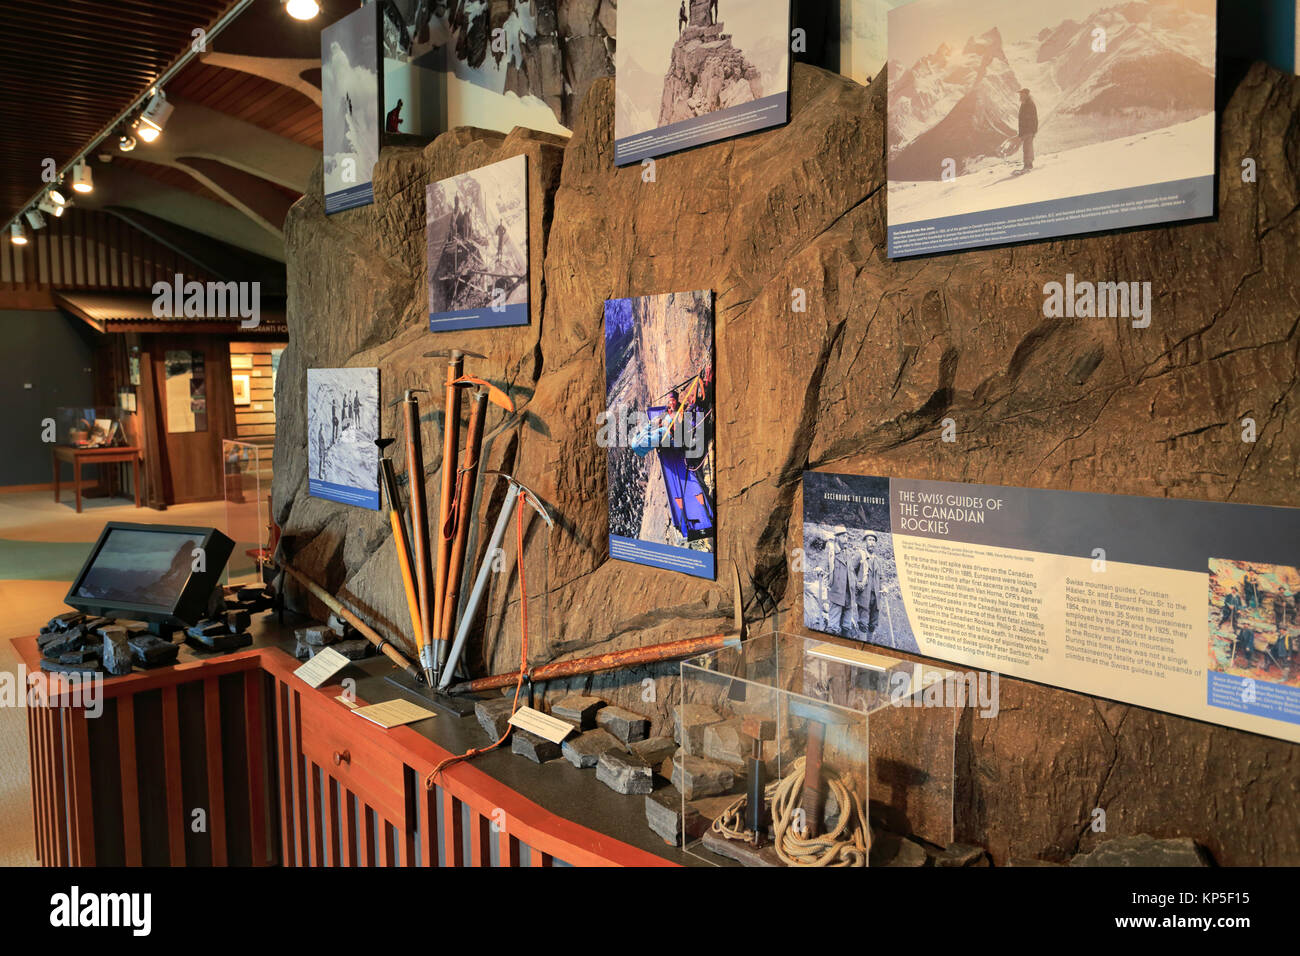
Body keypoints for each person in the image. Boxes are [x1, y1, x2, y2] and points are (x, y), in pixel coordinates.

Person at [825, 527, 863, 636]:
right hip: (837, 592)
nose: (846, 539)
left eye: (847, 536)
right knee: (833, 627)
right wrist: (820, 568)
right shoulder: (832, 552)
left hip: (849, 594)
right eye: (843, 536)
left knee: (846, 626)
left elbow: (852, 572)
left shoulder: (849, 553)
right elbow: (824, 561)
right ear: (837, 538)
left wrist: (857, 583)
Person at [855, 532, 882, 636]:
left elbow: (881, 577)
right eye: (869, 540)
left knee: (873, 624)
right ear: (865, 542)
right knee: (863, 623)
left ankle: (869, 647)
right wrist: (857, 582)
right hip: (864, 596)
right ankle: (861, 646)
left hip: (876, 597)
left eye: (874, 540)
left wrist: (884, 587)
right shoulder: (860, 556)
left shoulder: (877, 560)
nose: (872, 543)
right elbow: (851, 571)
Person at [1017, 88, 1037, 171]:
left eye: (1021, 94)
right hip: (1027, 130)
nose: (1020, 95)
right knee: (1028, 147)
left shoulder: (1028, 104)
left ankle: (1027, 165)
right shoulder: (1026, 103)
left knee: (1026, 147)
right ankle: (1029, 163)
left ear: (1026, 94)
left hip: (1028, 130)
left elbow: (1032, 118)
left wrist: (1031, 130)